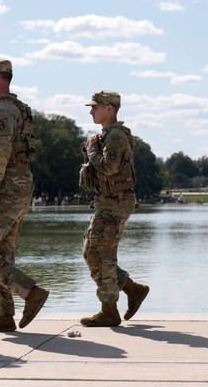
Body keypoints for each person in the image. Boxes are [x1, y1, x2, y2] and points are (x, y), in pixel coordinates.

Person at [0, 58, 48, 332]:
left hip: (6, 188)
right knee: (1, 252)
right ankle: (3, 314)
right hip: (18, 185)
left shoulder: (3, 111)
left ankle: (30, 292)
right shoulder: (14, 109)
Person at [78, 90, 149, 327]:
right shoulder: (106, 135)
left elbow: (108, 168)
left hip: (115, 203)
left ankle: (109, 310)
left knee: (103, 255)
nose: (91, 111)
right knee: (91, 252)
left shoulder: (116, 136)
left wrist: (91, 150)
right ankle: (132, 289)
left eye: (95, 107)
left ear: (110, 109)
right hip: (107, 201)